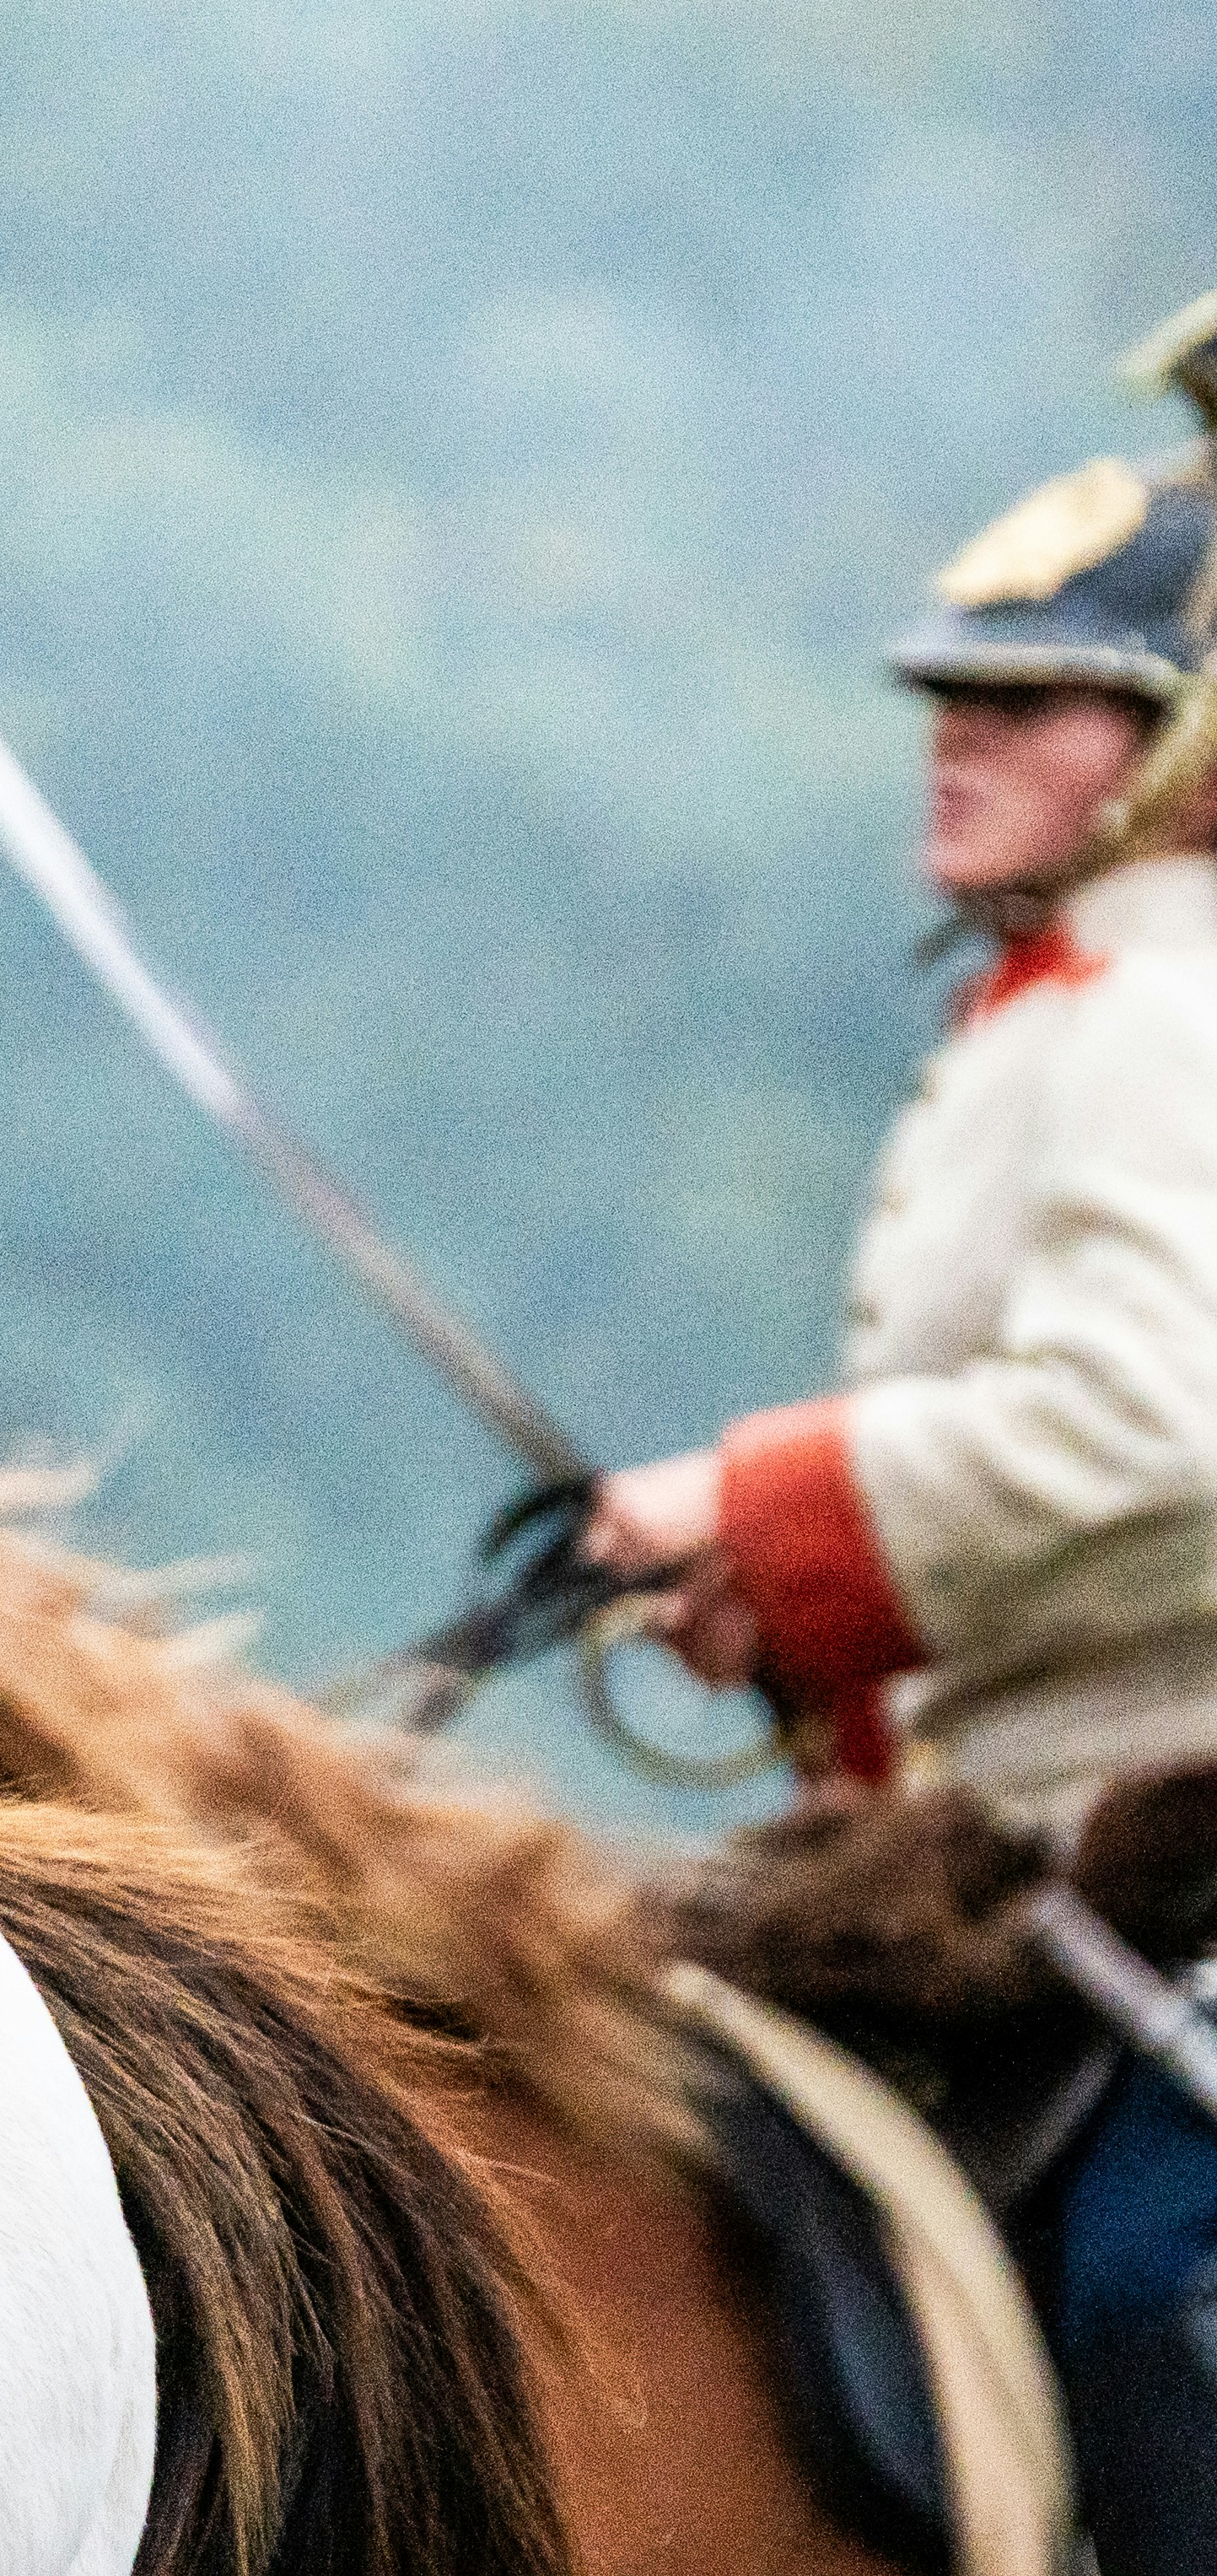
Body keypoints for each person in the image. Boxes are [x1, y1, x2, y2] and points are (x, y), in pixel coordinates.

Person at [590, 295, 1217, 2557]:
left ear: (1171, 747)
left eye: (1028, 698)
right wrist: (794, 1595)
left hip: (1174, 1885)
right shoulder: (1076, 1014)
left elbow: (1162, 1438)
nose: (950, 735)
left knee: (1169, 2299)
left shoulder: (1161, 1010)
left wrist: (771, 1508)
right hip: (1046, 1881)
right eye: (948, 692)